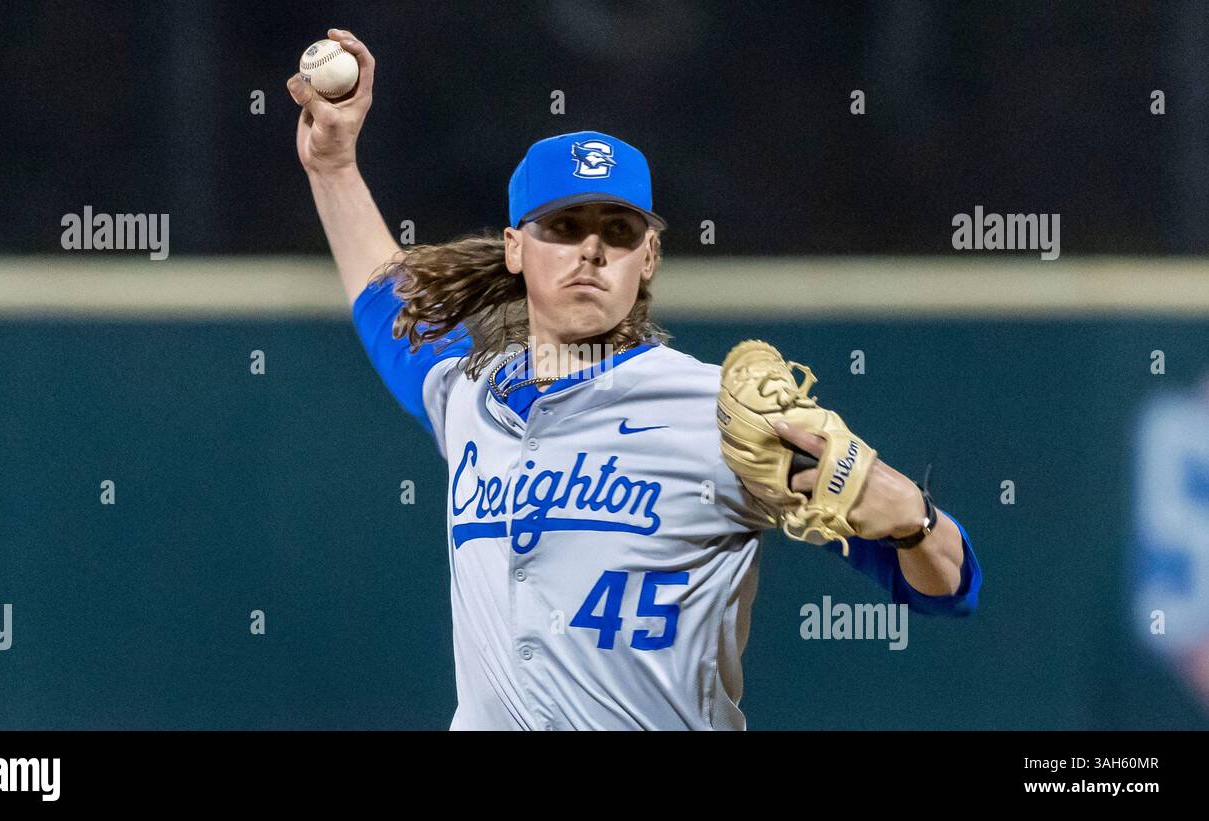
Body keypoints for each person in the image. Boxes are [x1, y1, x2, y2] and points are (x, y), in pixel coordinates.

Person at [287, 28, 982, 730]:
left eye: (617, 230)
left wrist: (915, 522)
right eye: (563, 225)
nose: (591, 247)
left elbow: (949, 584)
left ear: (647, 257)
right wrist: (333, 165)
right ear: (515, 248)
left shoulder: (722, 415)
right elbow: (388, 307)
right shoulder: (471, 394)